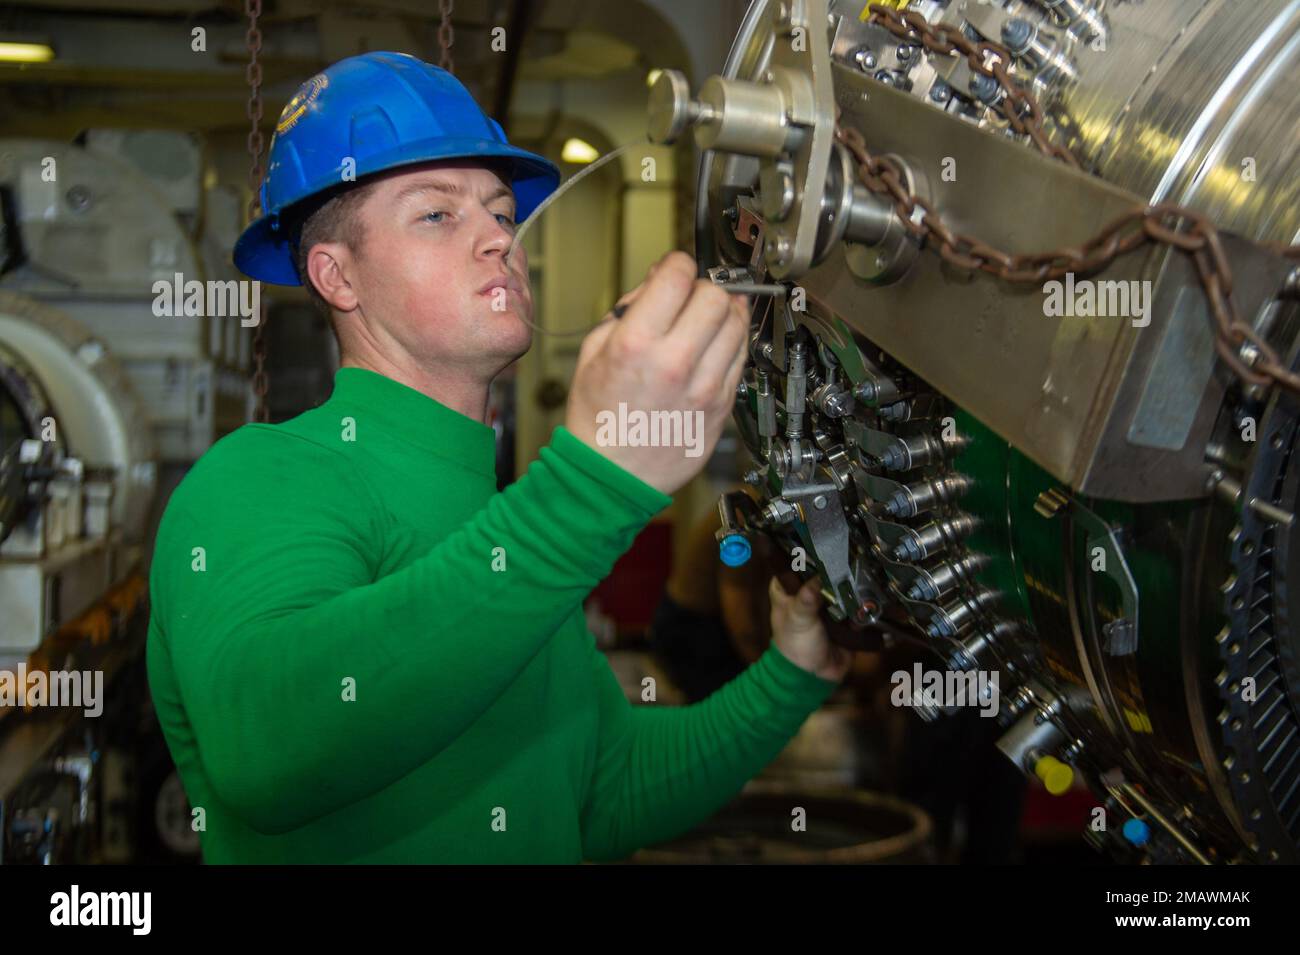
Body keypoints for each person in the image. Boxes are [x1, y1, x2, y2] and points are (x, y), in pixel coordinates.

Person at [145, 51, 852, 863]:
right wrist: (589, 485)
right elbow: (267, 744)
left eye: (500, 212)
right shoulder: (261, 478)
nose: (496, 238)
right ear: (335, 275)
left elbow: (602, 789)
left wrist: (793, 670)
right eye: (436, 215)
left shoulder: (500, 523)